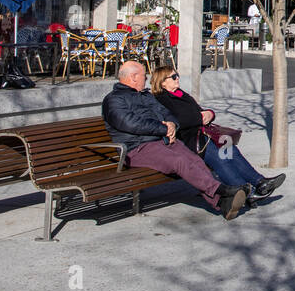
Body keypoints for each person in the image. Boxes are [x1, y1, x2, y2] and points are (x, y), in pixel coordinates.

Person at [102, 61, 247, 219]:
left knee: (194, 160)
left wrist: (172, 125)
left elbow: (167, 114)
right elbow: (130, 123)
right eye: (144, 75)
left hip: (163, 142)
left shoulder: (146, 96)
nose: (146, 78)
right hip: (137, 148)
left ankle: (222, 204)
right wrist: (164, 128)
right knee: (179, 162)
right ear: (133, 77)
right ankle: (222, 190)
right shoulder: (114, 100)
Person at [151, 65, 284, 201]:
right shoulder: (161, 99)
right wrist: (200, 118)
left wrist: (210, 114)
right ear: (162, 82)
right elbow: (177, 120)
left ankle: (260, 182)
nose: (177, 78)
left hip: (205, 134)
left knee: (232, 151)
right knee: (221, 159)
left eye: (177, 75)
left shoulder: (181, 94)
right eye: (173, 77)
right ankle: (246, 191)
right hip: (190, 140)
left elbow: (199, 110)